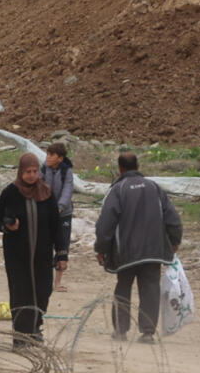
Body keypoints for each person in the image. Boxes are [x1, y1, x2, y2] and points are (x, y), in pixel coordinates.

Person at [94, 152, 183, 345]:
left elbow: (106, 223)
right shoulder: (155, 188)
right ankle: (148, 332)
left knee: (123, 287)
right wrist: (175, 241)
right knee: (150, 288)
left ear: (120, 168)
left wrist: (101, 248)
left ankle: (120, 330)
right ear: (138, 165)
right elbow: (173, 218)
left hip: (125, 252)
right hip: (153, 250)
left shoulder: (117, 189)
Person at [0, 153, 68, 348]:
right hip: (17, 256)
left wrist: (61, 253)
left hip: (42, 254)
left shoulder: (46, 193)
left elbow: (55, 225)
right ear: (21, 171)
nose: (32, 176)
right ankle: (20, 336)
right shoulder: (10, 192)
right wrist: (8, 226)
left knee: (42, 292)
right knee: (20, 293)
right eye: (28, 172)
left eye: (35, 171)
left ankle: (35, 328)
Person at [42, 143, 76, 293]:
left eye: (51, 155)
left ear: (60, 158)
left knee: (62, 247)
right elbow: (38, 186)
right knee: (45, 245)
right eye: (47, 154)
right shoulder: (43, 169)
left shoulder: (66, 171)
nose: (48, 157)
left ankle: (58, 282)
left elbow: (68, 190)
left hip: (63, 213)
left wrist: (60, 207)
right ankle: (46, 280)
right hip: (46, 213)